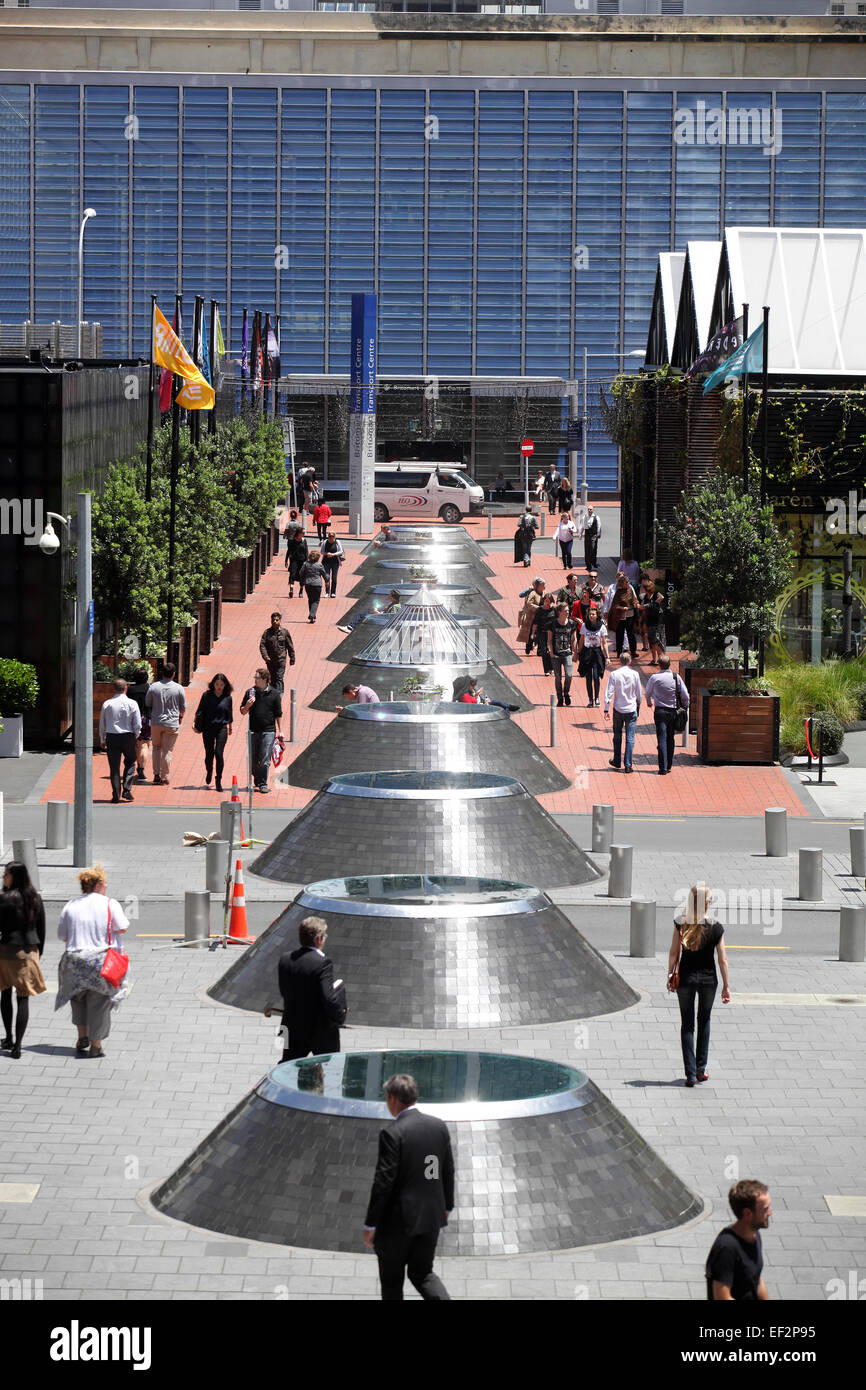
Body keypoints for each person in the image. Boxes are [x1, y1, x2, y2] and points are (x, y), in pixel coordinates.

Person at [363, 1072, 454, 1302]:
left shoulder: (393, 1133)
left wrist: (371, 1223)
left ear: (393, 1098)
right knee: (422, 1273)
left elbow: (383, 1181)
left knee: (392, 1282)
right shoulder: (438, 1126)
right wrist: (447, 1205)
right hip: (431, 1217)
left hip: (398, 1223)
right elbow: (447, 1170)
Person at [55, 865, 130, 1059]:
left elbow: (62, 935)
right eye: (105, 883)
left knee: (78, 998)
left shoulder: (70, 905)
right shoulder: (109, 903)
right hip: (100, 960)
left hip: (74, 960)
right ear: (98, 885)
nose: (106, 886)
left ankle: (82, 1037)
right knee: (99, 1002)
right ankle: (96, 1045)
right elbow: (122, 928)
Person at [667, 883, 730, 1087]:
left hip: (685, 979)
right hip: (708, 980)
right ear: (708, 903)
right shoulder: (716, 927)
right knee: (704, 1021)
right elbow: (722, 959)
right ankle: (701, 1069)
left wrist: (670, 974)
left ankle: (691, 1074)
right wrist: (726, 985)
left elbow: (673, 953)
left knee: (687, 1025)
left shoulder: (681, 923)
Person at [274, 915, 346, 1061]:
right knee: (329, 1069)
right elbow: (328, 997)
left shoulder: (285, 959)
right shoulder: (323, 963)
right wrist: (340, 1016)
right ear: (319, 939)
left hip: (291, 1025)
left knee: (288, 1067)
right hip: (320, 1030)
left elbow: (284, 991)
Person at [0, 862, 47, 1059]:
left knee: (5, 994)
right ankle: (18, 1045)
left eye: (6, 875)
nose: (3, 878)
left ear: (14, 877)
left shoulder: (3, 899)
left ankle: (8, 1037)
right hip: (28, 952)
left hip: (6, 951)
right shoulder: (35, 898)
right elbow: (42, 929)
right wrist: (38, 953)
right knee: (23, 998)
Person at [706, 1181, 771, 1301]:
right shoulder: (726, 1248)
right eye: (765, 1209)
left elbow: (757, 1281)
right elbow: (722, 1297)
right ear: (747, 1214)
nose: (770, 1213)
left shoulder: (754, 1235)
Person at [98, 677, 142, 804]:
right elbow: (137, 723)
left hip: (112, 736)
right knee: (130, 762)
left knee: (114, 767)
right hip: (128, 736)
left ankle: (116, 793)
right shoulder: (132, 703)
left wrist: (102, 738)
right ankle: (127, 789)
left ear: (114, 688)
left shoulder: (107, 703)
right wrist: (136, 735)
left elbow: (102, 723)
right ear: (126, 688)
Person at [240, 668, 283, 794]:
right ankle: (257, 779)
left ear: (264, 679)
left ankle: (263, 783)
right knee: (253, 758)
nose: (255, 680)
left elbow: (278, 713)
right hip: (253, 730)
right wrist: (247, 705)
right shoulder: (250, 692)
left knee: (264, 758)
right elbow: (242, 711)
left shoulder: (274, 694)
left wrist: (281, 731)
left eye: (257, 678)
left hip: (268, 730)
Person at [645, 655, 689, 775]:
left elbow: (647, 692)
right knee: (671, 737)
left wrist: (649, 703)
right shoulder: (676, 677)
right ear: (670, 664)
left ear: (659, 665)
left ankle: (662, 767)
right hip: (673, 712)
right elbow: (685, 695)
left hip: (660, 711)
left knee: (661, 738)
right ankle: (669, 764)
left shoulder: (655, 678)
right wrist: (685, 707)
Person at [145, 662, 186, 787]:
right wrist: (180, 717)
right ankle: (165, 776)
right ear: (174, 674)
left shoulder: (153, 687)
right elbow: (183, 707)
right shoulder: (179, 688)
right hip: (172, 722)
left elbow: (148, 703)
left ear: (162, 673)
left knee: (156, 747)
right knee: (167, 750)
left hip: (156, 721)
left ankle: (156, 774)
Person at [194, 673, 234, 792]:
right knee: (209, 754)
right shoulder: (206, 695)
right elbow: (200, 710)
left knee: (219, 753)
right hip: (208, 727)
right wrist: (195, 723)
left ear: (225, 685)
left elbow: (229, 714)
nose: (219, 687)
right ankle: (209, 770)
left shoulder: (228, 697)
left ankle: (218, 780)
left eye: (221, 684)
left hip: (222, 728)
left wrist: (230, 727)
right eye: (217, 684)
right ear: (213, 684)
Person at [603, 649, 642, 772]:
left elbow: (609, 692)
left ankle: (617, 760)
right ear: (630, 661)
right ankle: (628, 764)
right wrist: (638, 704)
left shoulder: (614, 674)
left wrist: (606, 709)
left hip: (618, 709)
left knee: (617, 735)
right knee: (630, 737)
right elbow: (639, 693)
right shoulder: (635, 674)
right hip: (631, 708)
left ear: (620, 661)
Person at [577, 603, 609, 707]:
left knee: (596, 676)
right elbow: (581, 640)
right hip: (586, 653)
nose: (591, 616)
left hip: (597, 653)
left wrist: (607, 656)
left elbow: (604, 643)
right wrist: (578, 653)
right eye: (590, 614)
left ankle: (597, 698)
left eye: (593, 614)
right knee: (588, 677)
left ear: (597, 615)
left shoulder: (602, 627)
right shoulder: (584, 626)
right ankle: (590, 699)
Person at [548, 602, 578, 707]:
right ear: (559, 612)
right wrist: (551, 652)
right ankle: (559, 698)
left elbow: (574, 639)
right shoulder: (553, 624)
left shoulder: (571, 623)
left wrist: (575, 652)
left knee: (569, 675)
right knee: (558, 678)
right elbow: (550, 640)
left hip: (567, 653)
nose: (567, 612)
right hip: (556, 655)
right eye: (565, 611)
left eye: (568, 611)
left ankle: (566, 693)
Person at [337, 589, 402, 636]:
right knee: (366, 613)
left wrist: (377, 613)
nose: (388, 596)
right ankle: (352, 627)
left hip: (380, 620)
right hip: (379, 617)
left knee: (361, 615)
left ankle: (350, 628)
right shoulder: (393, 603)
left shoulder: (395, 607)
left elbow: (389, 617)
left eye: (390, 595)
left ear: (393, 597)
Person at [126, 667, 152, 782]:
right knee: (145, 744)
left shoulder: (130, 690)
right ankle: (141, 770)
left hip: (133, 719)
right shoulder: (149, 689)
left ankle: (136, 765)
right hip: (146, 718)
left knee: (137, 744)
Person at [259, 612, 296, 693]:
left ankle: (279, 696)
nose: (275, 621)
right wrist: (265, 656)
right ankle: (272, 695)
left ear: (280, 621)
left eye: (277, 620)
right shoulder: (267, 633)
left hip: (281, 660)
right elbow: (262, 645)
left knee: (279, 678)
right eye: (273, 620)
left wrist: (292, 658)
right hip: (270, 661)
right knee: (272, 678)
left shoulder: (284, 632)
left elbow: (290, 646)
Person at [605, 572, 639, 659]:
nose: (628, 584)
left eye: (628, 582)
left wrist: (635, 605)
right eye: (626, 582)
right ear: (622, 583)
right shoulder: (618, 593)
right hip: (620, 616)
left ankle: (633, 651)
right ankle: (619, 652)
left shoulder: (630, 590)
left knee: (631, 633)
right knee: (619, 634)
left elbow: (635, 600)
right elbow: (614, 605)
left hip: (630, 615)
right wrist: (622, 608)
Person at [641, 579, 667, 664]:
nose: (643, 589)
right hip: (649, 621)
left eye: (644, 588)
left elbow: (662, 597)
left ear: (647, 588)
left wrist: (652, 604)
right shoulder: (646, 597)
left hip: (658, 621)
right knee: (651, 641)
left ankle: (661, 660)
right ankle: (654, 660)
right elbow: (643, 607)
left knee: (658, 640)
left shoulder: (656, 594)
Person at [283, 510, 309, 599]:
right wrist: (286, 560)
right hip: (294, 559)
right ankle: (291, 589)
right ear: (298, 534)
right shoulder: (292, 541)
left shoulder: (304, 541)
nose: (303, 534)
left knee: (302, 576)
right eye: (302, 533)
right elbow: (289, 551)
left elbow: (306, 551)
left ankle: (301, 591)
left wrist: (307, 561)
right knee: (292, 574)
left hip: (302, 560)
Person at [530, 592, 556, 677]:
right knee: (544, 651)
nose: (548, 603)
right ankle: (546, 670)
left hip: (552, 634)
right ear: (543, 600)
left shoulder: (554, 610)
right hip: (542, 633)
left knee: (551, 651)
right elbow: (535, 623)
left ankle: (552, 668)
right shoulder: (539, 610)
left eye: (549, 601)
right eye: (546, 601)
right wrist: (533, 633)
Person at [517, 577, 545, 652]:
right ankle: (529, 646)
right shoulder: (532, 592)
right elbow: (521, 595)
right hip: (530, 616)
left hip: (540, 616)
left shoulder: (543, 592)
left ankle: (539, 648)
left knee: (540, 632)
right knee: (529, 632)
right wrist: (528, 590)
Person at [298, 547, 327, 623]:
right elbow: (324, 574)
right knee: (316, 600)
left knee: (310, 599)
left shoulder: (305, 564)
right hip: (317, 584)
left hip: (308, 584)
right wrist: (327, 580)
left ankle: (312, 615)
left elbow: (301, 573)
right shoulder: (319, 565)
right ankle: (312, 614)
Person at [321, 529, 345, 597]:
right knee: (327, 577)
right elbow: (321, 552)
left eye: (332, 536)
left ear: (334, 537)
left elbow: (341, 551)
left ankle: (333, 592)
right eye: (330, 536)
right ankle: (327, 592)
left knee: (334, 578)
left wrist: (333, 554)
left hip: (335, 562)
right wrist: (327, 553)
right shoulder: (325, 542)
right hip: (326, 562)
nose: (331, 538)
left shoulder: (337, 542)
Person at [581, 503, 601, 571]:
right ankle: (588, 565)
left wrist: (598, 534)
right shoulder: (585, 517)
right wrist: (580, 534)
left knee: (593, 548)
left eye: (591, 509)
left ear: (593, 510)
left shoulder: (596, 517)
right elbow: (582, 526)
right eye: (588, 509)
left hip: (594, 535)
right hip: (587, 535)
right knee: (587, 550)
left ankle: (593, 562)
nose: (589, 510)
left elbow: (599, 526)